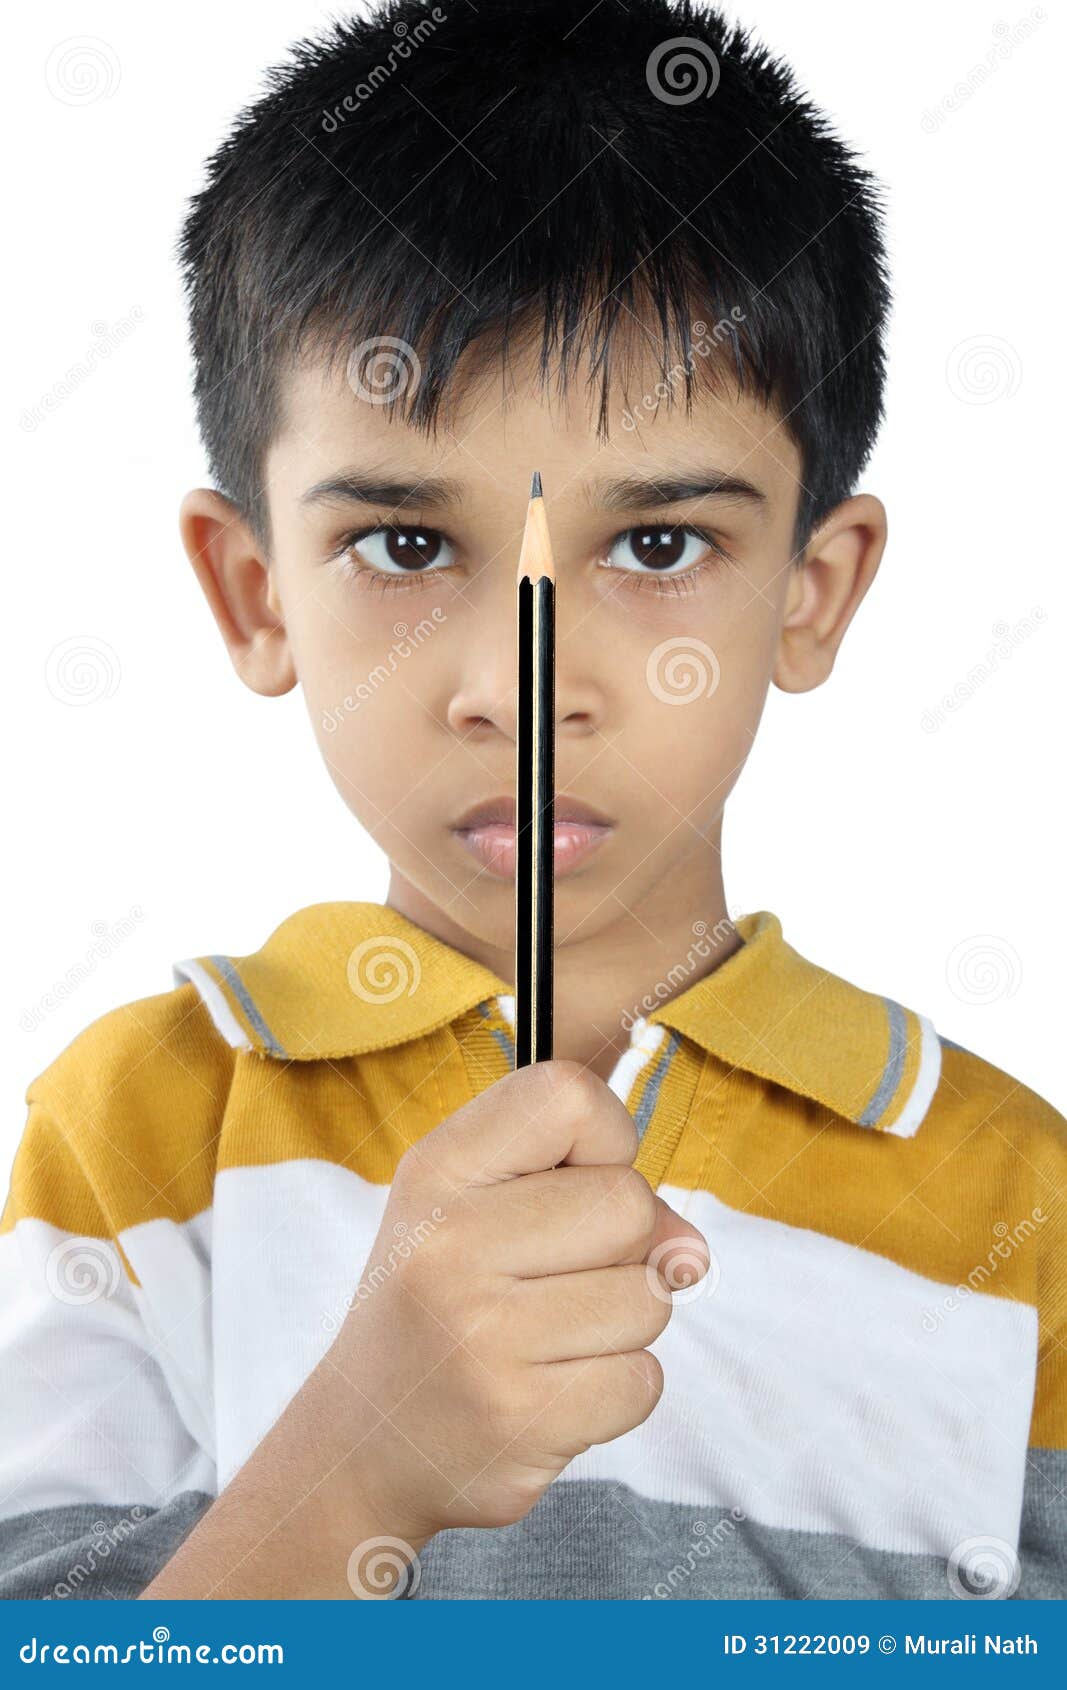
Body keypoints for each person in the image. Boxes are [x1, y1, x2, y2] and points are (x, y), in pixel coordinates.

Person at [1, 0, 1062, 1601]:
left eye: (658, 545)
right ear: (254, 593)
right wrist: (359, 1452)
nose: (521, 682)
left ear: (812, 591)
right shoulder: (140, 1136)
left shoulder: (1015, 1201)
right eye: (409, 545)